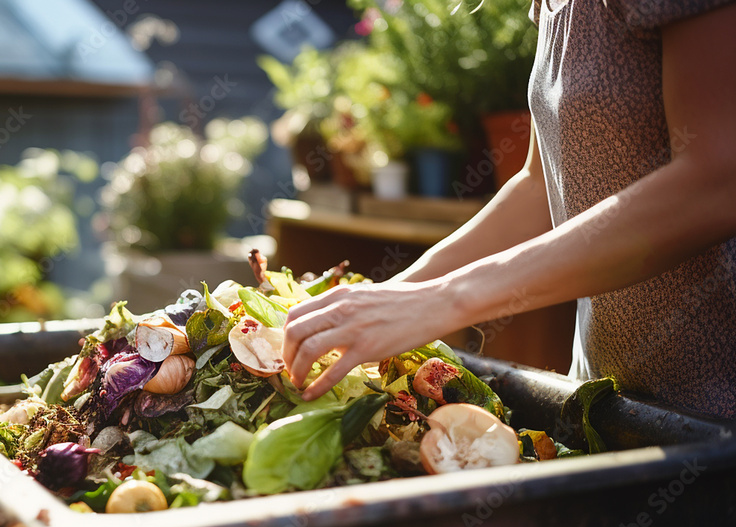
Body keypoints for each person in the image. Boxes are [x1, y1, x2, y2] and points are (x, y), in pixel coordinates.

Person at [282, 0, 736, 420]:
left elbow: (717, 180)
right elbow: (540, 185)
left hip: (716, 411)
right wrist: (391, 299)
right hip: (616, 397)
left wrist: (444, 299)